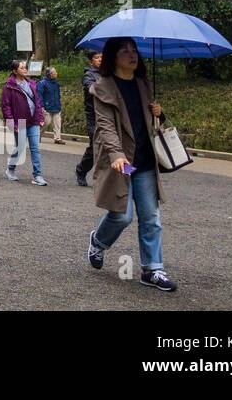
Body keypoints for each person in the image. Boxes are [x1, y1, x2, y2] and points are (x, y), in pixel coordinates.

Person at [86, 37, 175, 292]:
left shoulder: (143, 84)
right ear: (113, 56)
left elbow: (150, 124)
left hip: (144, 161)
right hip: (123, 163)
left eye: (134, 50)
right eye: (125, 50)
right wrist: (116, 154)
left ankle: (153, 269)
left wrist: (159, 113)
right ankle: (99, 241)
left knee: (151, 217)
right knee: (122, 215)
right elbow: (104, 125)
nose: (131, 54)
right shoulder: (102, 87)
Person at [1, 60, 46, 185]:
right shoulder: (9, 86)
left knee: (35, 148)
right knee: (20, 148)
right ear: (15, 71)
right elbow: (6, 106)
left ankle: (38, 175)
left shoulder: (31, 83)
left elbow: (37, 102)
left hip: (33, 121)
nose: (25, 69)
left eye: (25, 67)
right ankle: (10, 169)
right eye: (21, 68)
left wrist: (40, 117)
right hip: (19, 122)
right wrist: (11, 123)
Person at [74, 51, 104, 186]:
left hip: (110, 116)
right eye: (97, 58)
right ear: (91, 61)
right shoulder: (88, 75)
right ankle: (81, 170)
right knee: (95, 147)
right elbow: (91, 88)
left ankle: (127, 174)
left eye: (102, 57)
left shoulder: (110, 73)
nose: (100, 60)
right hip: (94, 117)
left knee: (118, 145)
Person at [38, 66, 64, 144]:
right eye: (54, 72)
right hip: (46, 107)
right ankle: (37, 135)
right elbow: (39, 95)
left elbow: (58, 94)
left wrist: (59, 103)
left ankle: (57, 138)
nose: (56, 73)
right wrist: (41, 105)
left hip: (56, 106)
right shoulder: (42, 83)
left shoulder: (56, 83)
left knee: (57, 123)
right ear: (50, 74)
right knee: (46, 122)